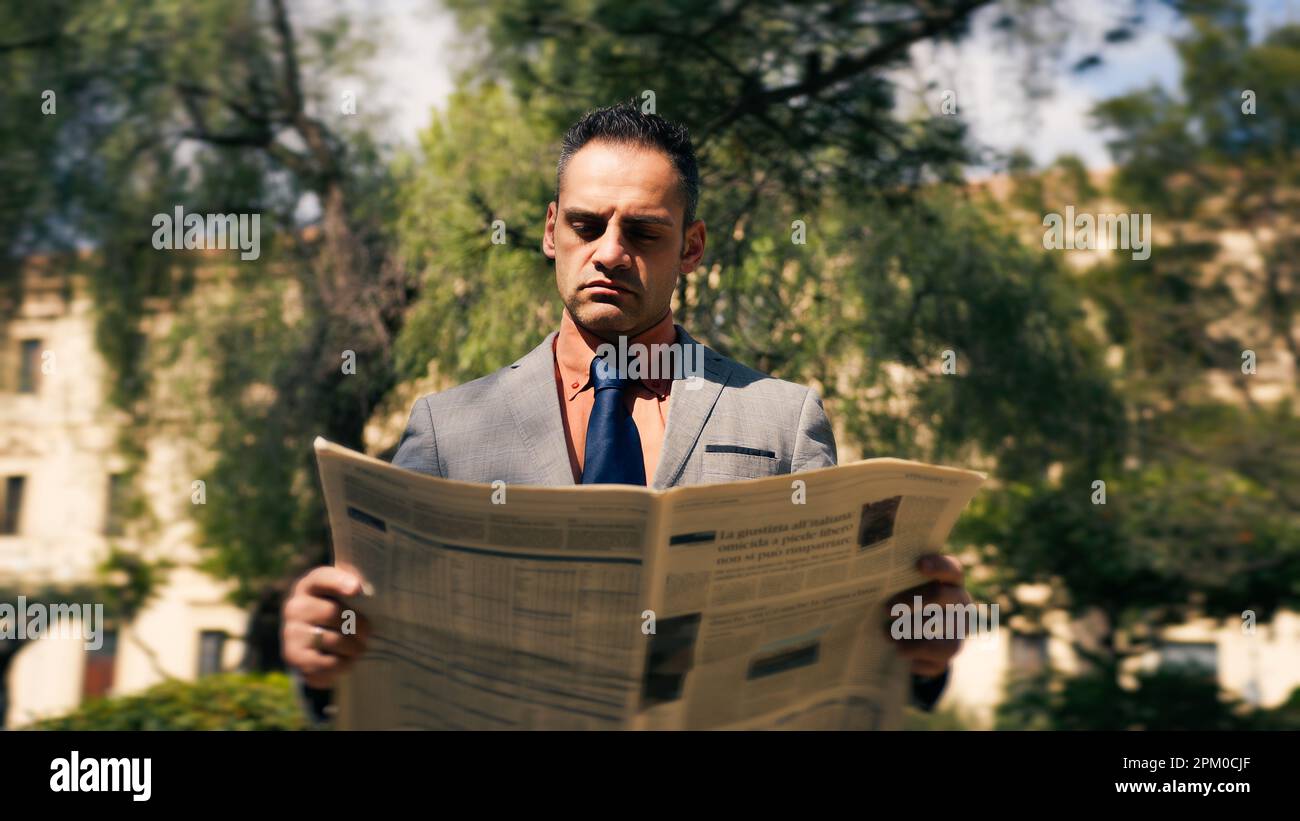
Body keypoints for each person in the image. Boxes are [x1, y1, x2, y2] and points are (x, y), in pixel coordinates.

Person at [282, 102, 971, 722]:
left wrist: (921, 654)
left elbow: (833, 639)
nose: (610, 252)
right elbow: (389, 653)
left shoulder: (782, 419)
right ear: (552, 230)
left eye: (643, 232)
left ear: (691, 248)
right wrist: (323, 662)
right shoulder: (446, 428)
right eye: (587, 224)